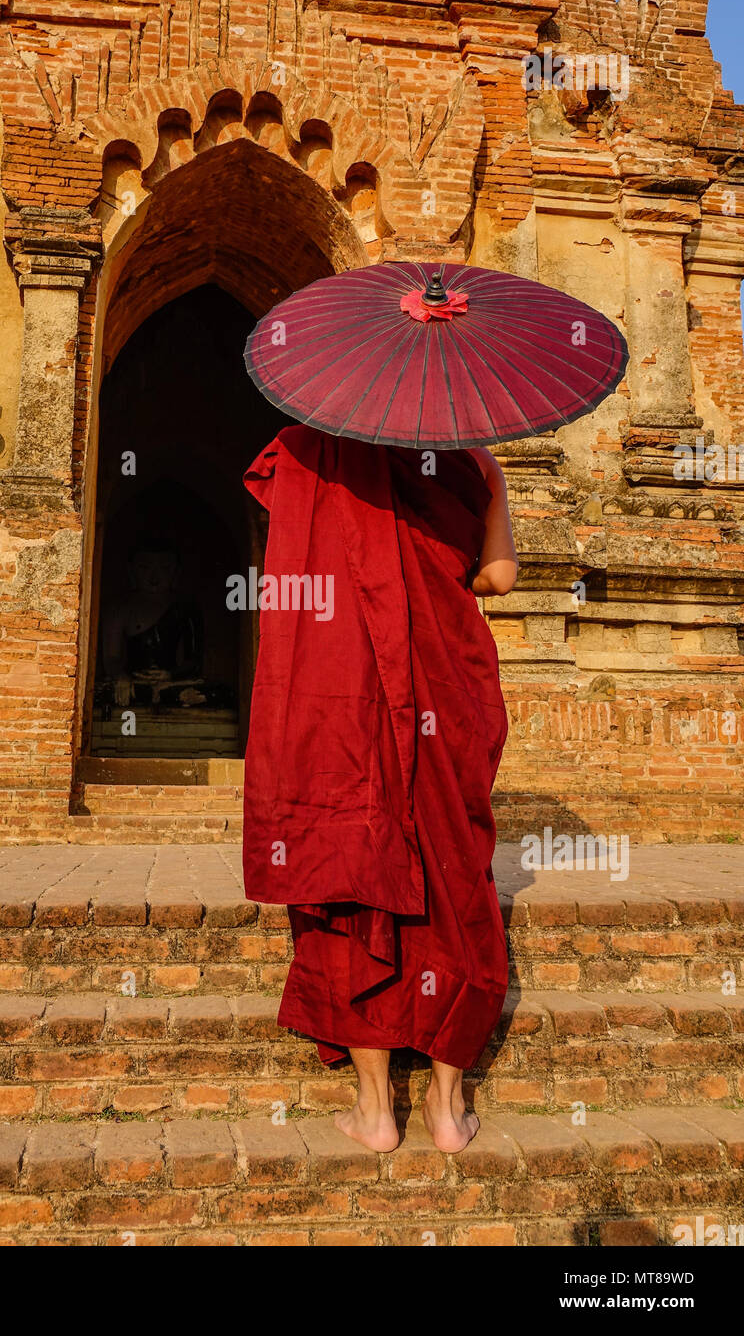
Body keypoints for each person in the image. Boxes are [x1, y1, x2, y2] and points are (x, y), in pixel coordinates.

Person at [242, 424, 518, 1154]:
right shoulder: (480, 462)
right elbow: (498, 579)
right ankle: (447, 1108)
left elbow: (304, 552)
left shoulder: (317, 448)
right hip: (448, 690)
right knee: (456, 878)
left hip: (350, 702)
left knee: (355, 865)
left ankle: (373, 1111)